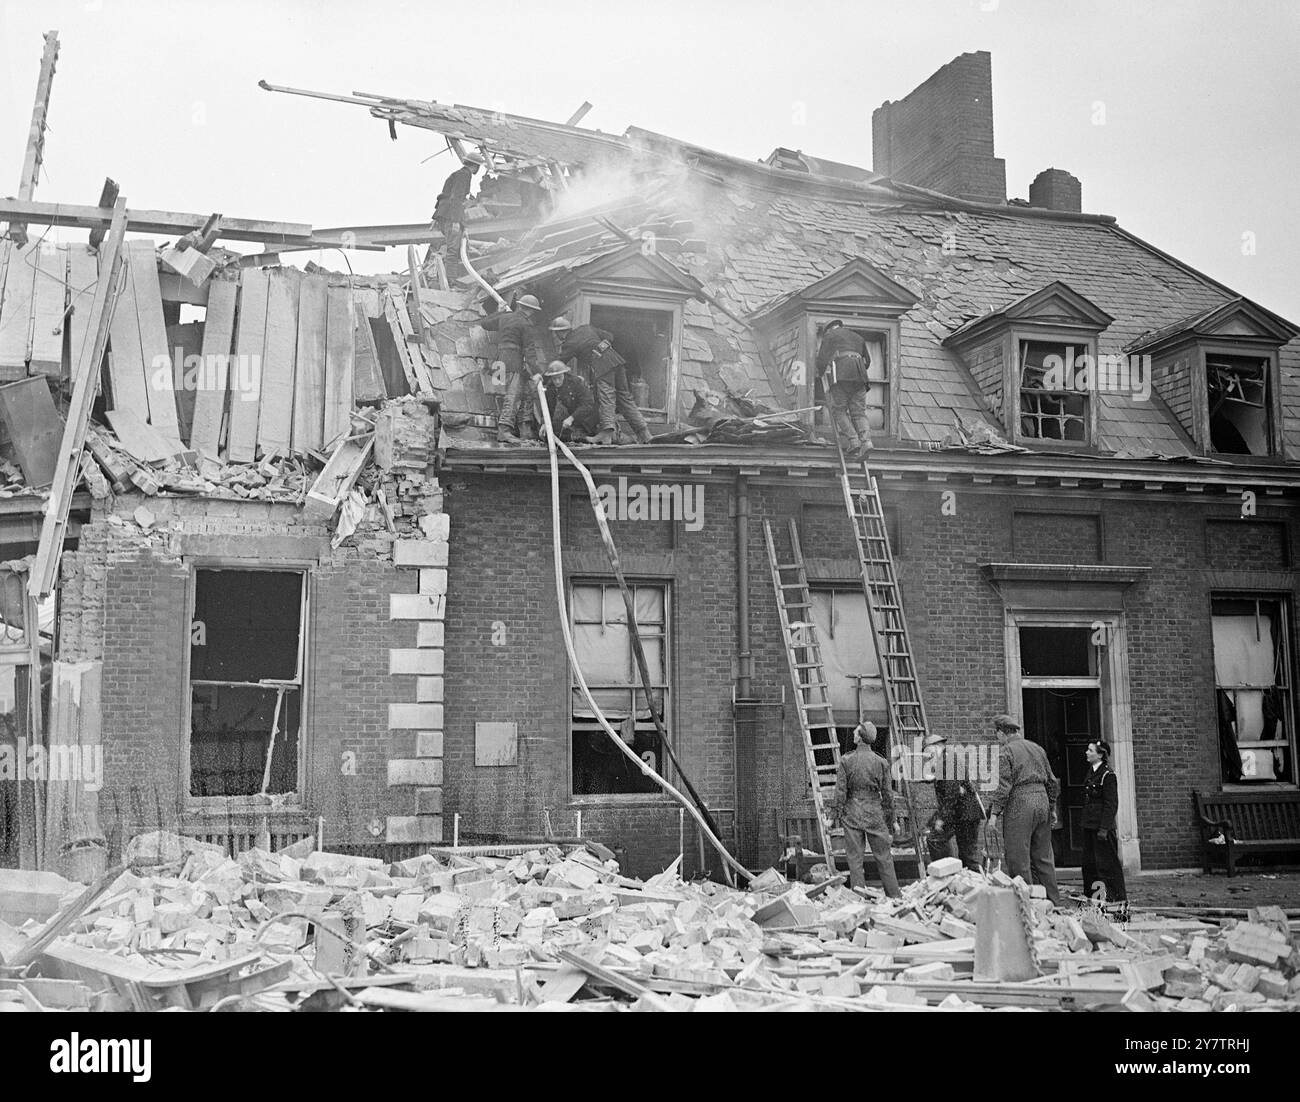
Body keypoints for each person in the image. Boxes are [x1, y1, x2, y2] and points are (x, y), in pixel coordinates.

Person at [986, 714, 1061, 905]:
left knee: (1018, 857)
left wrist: (994, 815)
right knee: (1043, 857)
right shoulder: (1037, 748)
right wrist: (1051, 808)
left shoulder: (1005, 752)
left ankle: (1026, 905)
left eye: (997, 734)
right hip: (1042, 800)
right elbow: (1052, 782)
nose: (998, 738)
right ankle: (1053, 904)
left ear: (1002, 733)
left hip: (1020, 803)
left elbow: (1003, 787)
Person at [550, 316, 653, 445]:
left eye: (555, 333)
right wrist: (600, 349)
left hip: (602, 367)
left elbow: (558, 364)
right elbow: (610, 336)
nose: (556, 336)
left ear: (560, 332)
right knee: (625, 398)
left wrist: (542, 378)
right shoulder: (586, 328)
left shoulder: (569, 344)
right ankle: (644, 433)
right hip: (616, 361)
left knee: (606, 397)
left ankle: (607, 435)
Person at [831, 721, 901, 897]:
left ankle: (858, 898)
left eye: (855, 732)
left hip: (852, 813)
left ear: (860, 738)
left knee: (855, 860)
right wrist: (892, 820)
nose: (853, 734)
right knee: (884, 857)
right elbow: (888, 795)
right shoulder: (882, 762)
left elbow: (840, 792)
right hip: (874, 813)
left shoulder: (847, 760)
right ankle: (894, 895)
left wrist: (833, 816)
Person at [926, 734, 986, 870]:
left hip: (966, 814)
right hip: (960, 813)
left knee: (967, 857)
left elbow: (951, 793)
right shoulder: (946, 760)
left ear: (936, 747)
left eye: (928, 751)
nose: (928, 755)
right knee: (936, 838)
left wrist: (941, 819)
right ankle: (950, 872)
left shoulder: (948, 762)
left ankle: (951, 874)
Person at [815, 319, 873, 457]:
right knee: (859, 412)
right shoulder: (857, 337)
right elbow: (868, 362)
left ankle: (853, 440)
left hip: (842, 376)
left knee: (838, 410)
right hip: (860, 377)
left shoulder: (830, 335)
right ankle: (866, 442)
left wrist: (820, 373)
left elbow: (822, 360)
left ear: (828, 329)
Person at [495, 294, 546, 444]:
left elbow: (485, 323)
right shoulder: (526, 324)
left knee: (520, 392)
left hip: (498, 363)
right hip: (513, 362)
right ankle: (504, 431)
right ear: (531, 311)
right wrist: (537, 372)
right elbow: (529, 352)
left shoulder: (504, 317)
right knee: (513, 396)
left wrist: (499, 311)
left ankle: (525, 430)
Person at [1081, 740, 1127, 902]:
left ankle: (1114, 900)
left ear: (1100, 754)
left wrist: (1104, 829)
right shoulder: (1092, 771)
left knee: (1106, 866)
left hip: (1102, 829)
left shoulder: (1108, 775)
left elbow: (1111, 804)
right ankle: (1095, 899)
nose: (1087, 752)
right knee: (1090, 865)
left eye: (1090, 750)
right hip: (1090, 826)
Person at [432, 153, 483, 262]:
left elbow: (444, 196)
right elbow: (456, 198)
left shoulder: (457, 174)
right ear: (476, 165)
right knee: (453, 250)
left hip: (445, 214)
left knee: (458, 248)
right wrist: (455, 222)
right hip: (451, 217)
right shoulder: (464, 175)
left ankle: (454, 277)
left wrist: (436, 217)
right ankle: (451, 279)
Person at [538, 360, 599, 441]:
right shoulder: (551, 387)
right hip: (574, 421)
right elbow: (549, 408)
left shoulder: (576, 382)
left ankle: (588, 438)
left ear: (564, 374)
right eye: (554, 379)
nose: (557, 381)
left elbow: (588, 405)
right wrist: (544, 423)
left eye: (559, 378)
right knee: (548, 431)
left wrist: (571, 418)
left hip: (589, 419)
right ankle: (583, 438)